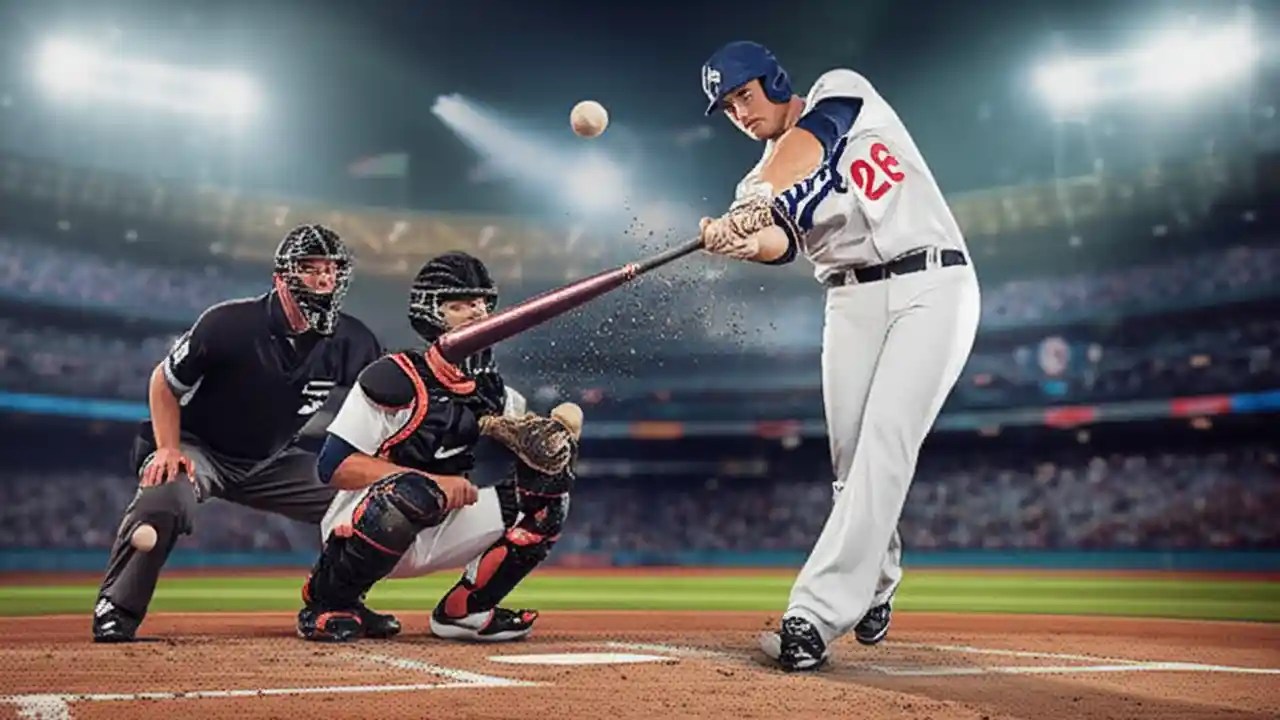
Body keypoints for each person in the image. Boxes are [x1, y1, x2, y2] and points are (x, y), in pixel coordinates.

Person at [696, 41, 981, 670]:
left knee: (885, 440)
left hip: (933, 284)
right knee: (850, 459)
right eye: (728, 106)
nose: (740, 112)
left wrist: (755, 202)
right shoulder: (755, 179)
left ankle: (814, 617)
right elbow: (780, 242)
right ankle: (877, 583)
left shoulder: (839, 89)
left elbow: (813, 143)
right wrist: (743, 241)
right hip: (849, 301)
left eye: (745, 94)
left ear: (775, 81)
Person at [92, 224, 400, 642]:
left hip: (271, 460)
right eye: (311, 268)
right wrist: (166, 448)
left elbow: (388, 401)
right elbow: (164, 382)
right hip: (199, 449)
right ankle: (118, 606)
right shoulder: (228, 324)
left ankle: (339, 602)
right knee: (165, 492)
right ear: (282, 277)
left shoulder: (353, 339)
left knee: (371, 501)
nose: (325, 278)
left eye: (331, 269)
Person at [296, 251, 581, 643]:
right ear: (431, 314)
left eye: (481, 303)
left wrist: (553, 445)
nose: (476, 313)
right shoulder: (394, 378)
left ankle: (466, 610)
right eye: (458, 305)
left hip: (445, 523)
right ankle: (330, 599)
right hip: (365, 523)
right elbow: (334, 466)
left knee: (552, 487)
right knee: (415, 491)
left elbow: (527, 460)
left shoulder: (499, 396)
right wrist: (430, 480)